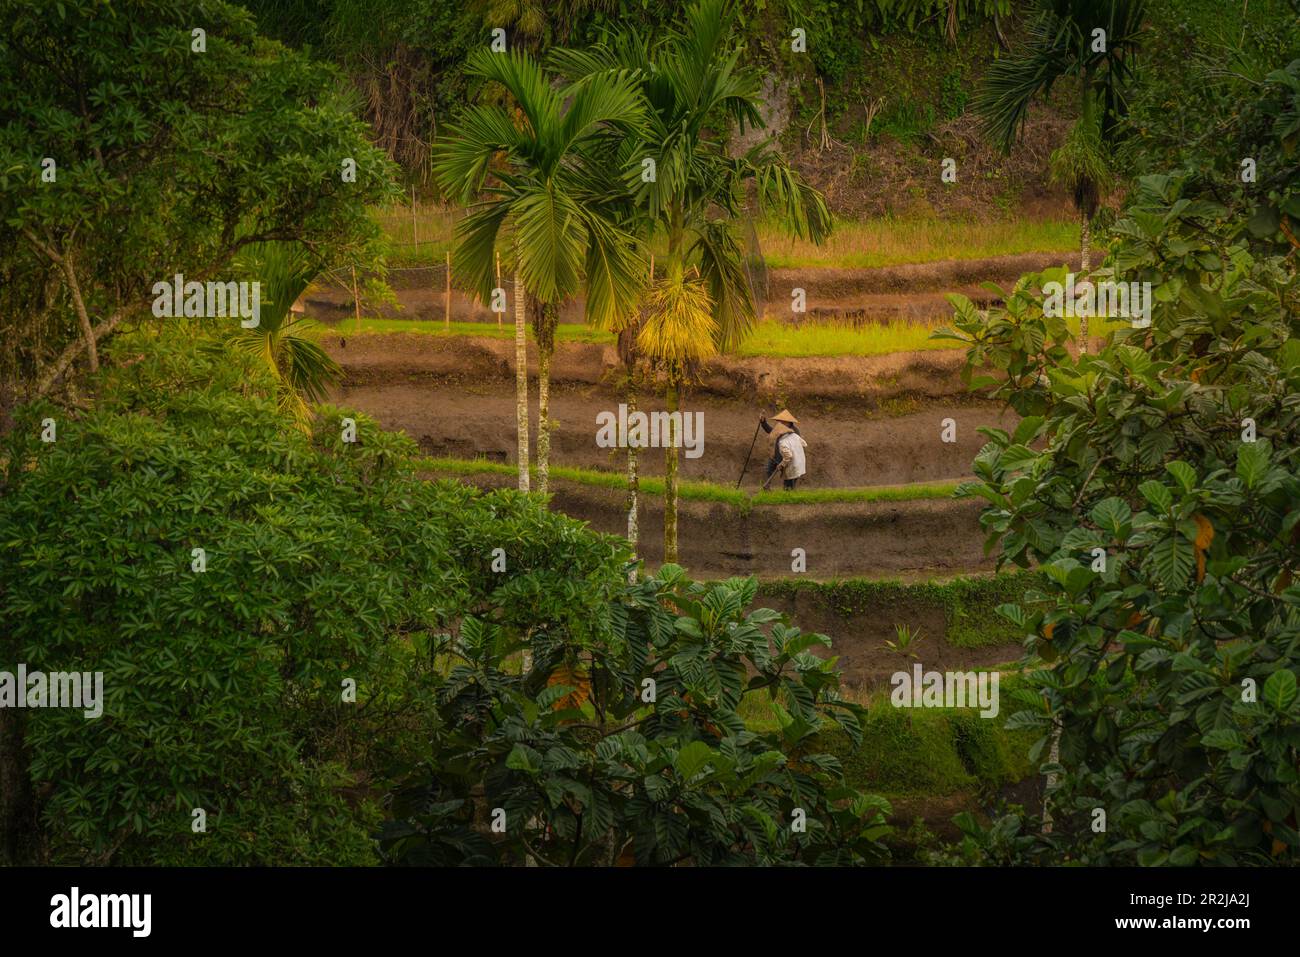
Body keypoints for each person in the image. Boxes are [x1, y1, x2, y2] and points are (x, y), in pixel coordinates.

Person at [759, 409, 807, 490]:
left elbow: (797, 447)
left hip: (789, 459)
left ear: (787, 422)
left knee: (789, 479)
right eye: (779, 421)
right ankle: (767, 488)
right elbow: (771, 431)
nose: (779, 423)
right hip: (777, 455)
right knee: (768, 470)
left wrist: (783, 463)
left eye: (781, 421)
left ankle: (788, 492)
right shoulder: (780, 428)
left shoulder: (795, 432)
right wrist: (763, 422)